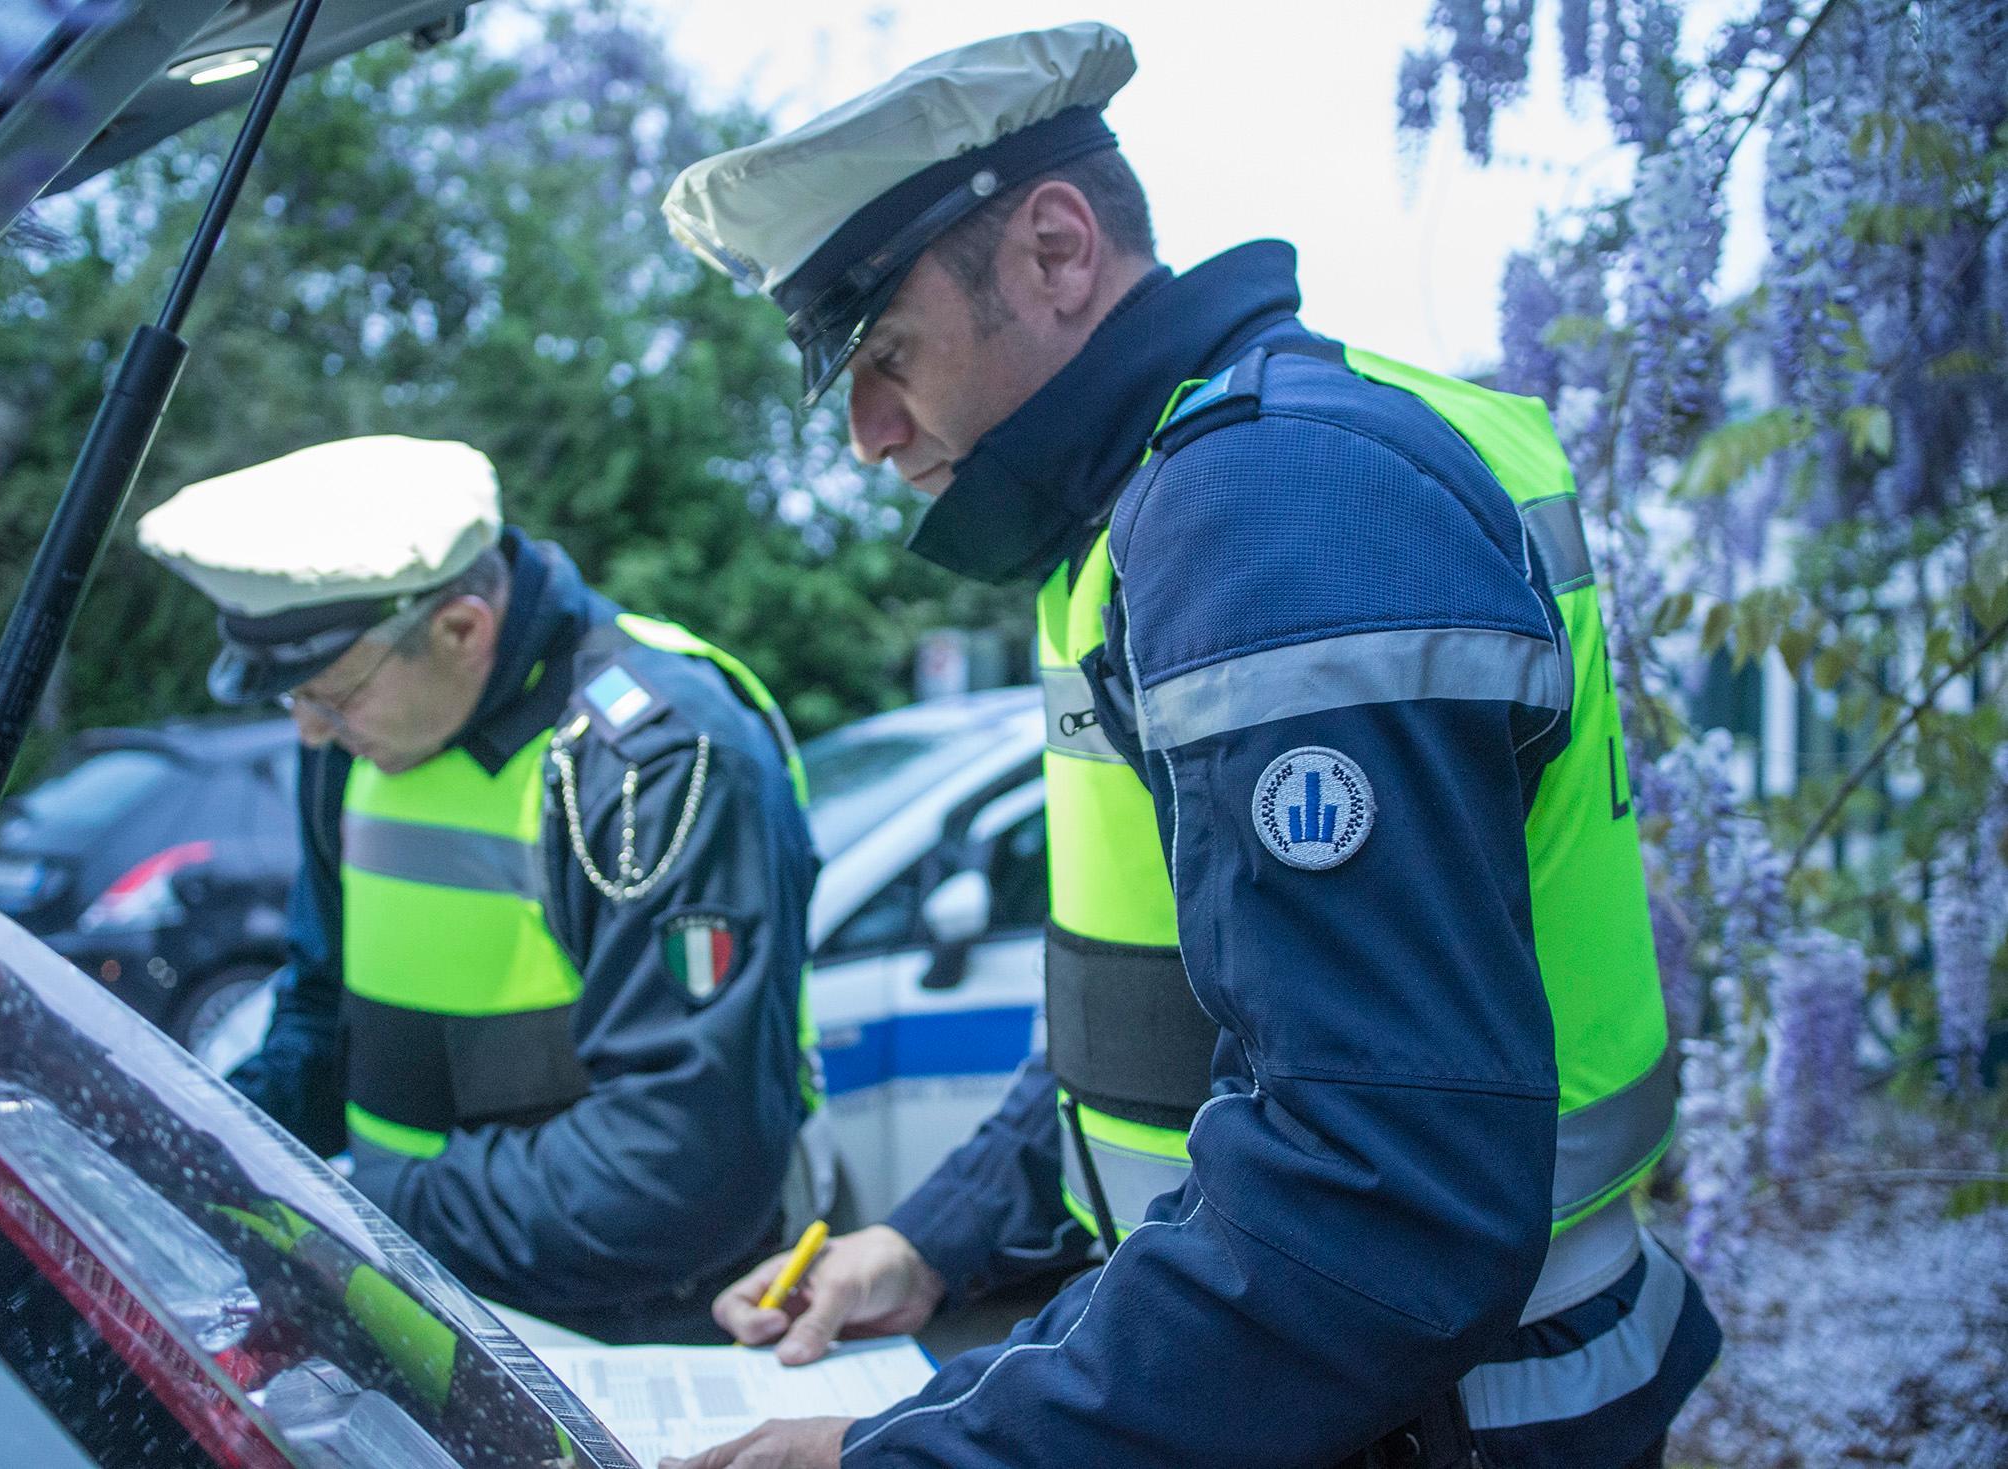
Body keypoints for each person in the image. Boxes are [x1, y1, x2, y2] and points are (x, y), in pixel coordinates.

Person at [656, 21, 1718, 1468]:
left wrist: (893, 1453)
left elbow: (1368, 1198)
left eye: (885, 352)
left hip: (1435, 1424)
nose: (865, 431)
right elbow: (1174, 1014)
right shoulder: (1165, 501)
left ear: (1054, 249)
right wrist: (930, 1241)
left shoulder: (1269, 507)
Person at [138, 434, 821, 1344]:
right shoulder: (360, 740)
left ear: (462, 630)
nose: (310, 731)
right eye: (292, 698)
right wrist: (197, 1147)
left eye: (333, 695)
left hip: (633, 1332)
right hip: (406, 1290)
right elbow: (323, 1016)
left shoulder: (660, 759)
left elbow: (682, 1158)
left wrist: (359, 1210)